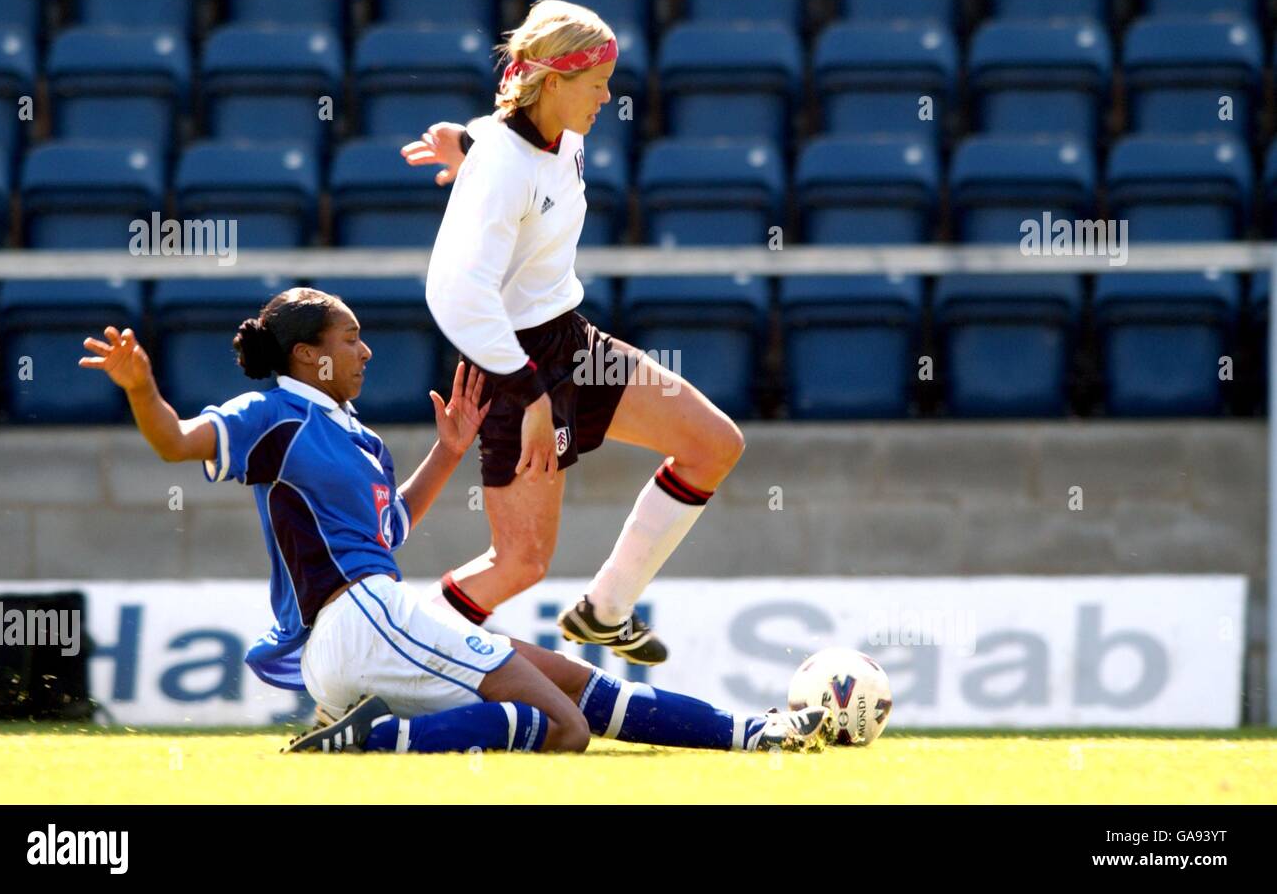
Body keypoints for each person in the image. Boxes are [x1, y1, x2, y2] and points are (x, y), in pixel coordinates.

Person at [78, 287, 830, 754]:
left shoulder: (356, 435)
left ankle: (755, 734)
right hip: (362, 620)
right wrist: (141, 388)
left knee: (574, 687)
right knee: (564, 729)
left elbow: (391, 530)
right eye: (350, 340)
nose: (366, 349)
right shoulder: (274, 412)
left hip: (366, 634)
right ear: (308, 357)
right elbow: (176, 442)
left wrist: (446, 453)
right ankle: (378, 742)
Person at [403, 0, 746, 666]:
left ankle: (605, 612)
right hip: (513, 365)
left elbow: (510, 142)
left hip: (570, 341)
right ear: (554, 80)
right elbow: (456, 294)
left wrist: (463, 142)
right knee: (521, 563)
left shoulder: (558, 132)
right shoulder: (502, 167)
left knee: (713, 445)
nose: (608, 96)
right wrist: (530, 396)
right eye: (598, 83)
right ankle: (383, 653)